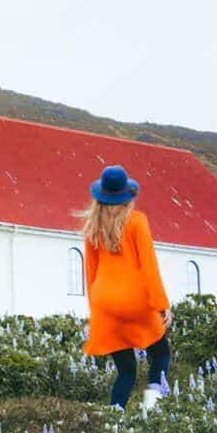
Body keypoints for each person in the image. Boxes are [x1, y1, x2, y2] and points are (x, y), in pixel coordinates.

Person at [80, 164, 172, 410]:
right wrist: (162, 305)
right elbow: (149, 266)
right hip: (135, 301)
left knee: (126, 371)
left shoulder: (92, 229)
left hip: (105, 305)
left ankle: (114, 424)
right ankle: (151, 406)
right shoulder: (137, 222)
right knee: (161, 353)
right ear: (127, 196)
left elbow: (90, 274)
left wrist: (96, 313)